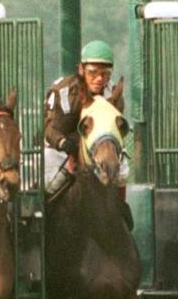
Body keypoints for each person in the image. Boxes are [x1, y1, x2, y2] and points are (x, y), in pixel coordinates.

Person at [43, 41, 131, 221]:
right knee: (50, 183)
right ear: (81, 69)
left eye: (105, 74)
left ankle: (120, 207)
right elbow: (50, 128)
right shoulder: (64, 91)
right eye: (93, 72)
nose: (99, 79)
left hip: (95, 144)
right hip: (61, 144)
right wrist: (64, 144)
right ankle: (42, 215)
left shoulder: (113, 93)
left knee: (123, 169)